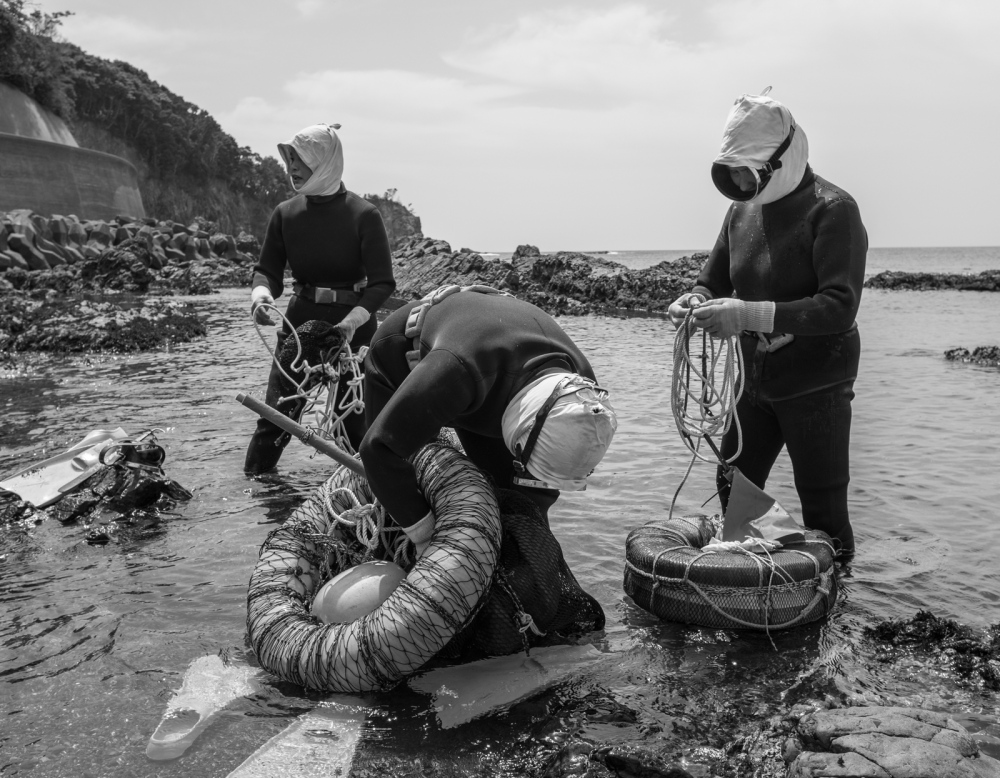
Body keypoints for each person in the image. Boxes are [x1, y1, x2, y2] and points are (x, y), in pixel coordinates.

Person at [667, 91, 867, 557]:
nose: (740, 181)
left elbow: (840, 306)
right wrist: (692, 301)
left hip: (817, 382)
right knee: (731, 480)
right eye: (732, 171)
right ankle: (771, 572)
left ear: (785, 157)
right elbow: (711, 281)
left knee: (822, 502)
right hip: (754, 380)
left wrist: (748, 314)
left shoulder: (834, 209)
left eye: (748, 170)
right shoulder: (741, 209)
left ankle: (837, 609)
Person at [360, 287, 618, 556]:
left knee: (517, 500)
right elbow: (377, 451)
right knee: (395, 497)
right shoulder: (458, 369)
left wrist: (536, 545)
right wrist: (425, 538)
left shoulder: (585, 400)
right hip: (402, 359)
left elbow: (538, 488)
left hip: (491, 381)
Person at [244, 123, 395, 474]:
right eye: (290, 158)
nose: (292, 166)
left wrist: (350, 324)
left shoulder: (365, 215)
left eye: (301, 158)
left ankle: (362, 502)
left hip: (354, 332)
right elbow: (267, 269)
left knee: (356, 429)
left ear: (326, 160)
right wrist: (261, 295)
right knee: (276, 420)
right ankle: (257, 501)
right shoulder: (285, 213)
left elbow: (383, 283)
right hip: (299, 330)